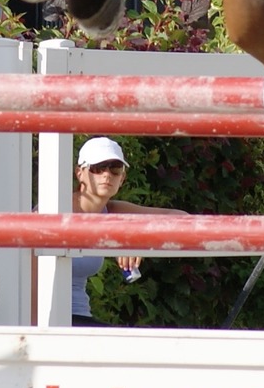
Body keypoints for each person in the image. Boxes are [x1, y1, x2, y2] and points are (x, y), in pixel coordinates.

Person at [43, 137, 184, 326]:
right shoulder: (55, 208)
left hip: (79, 317)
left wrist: (134, 237)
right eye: (97, 168)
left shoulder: (112, 211)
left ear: (122, 178)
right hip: (47, 319)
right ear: (80, 173)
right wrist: (37, 334)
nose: (106, 175)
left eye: (114, 168)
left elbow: (182, 218)